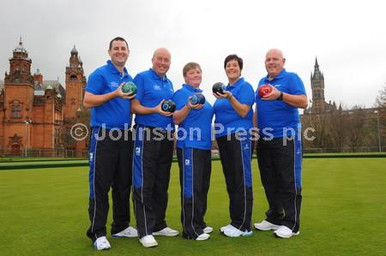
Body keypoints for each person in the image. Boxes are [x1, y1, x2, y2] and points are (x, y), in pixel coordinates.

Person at [83, 37, 137, 250]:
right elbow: (87, 101)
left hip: (125, 137)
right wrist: (115, 93)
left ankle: (121, 226)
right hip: (103, 135)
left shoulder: (129, 77)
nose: (120, 51)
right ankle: (97, 232)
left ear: (128, 52)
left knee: (123, 184)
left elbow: (132, 107)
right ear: (109, 52)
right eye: (116, 48)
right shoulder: (100, 74)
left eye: (123, 48)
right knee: (100, 185)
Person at [254, 49, 308, 239]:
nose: (271, 62)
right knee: (269, 180)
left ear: (283, 61)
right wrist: (255, 131)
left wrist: (280, 95)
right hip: (264, 138)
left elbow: (303, 102)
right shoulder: (261, 83)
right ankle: (275, 217)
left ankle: (292, 224)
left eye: (275, 59)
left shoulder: (292, 78)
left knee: (288, 180)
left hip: (287, 137)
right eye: (268, 59)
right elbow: (258, 110)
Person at [131, 48, 179, 248]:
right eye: (159, 59)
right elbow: (134, 106)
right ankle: (145, 230)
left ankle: (159, 224)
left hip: (166, 136)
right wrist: (154, 110)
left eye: (166, 60)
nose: (163, 62)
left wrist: (173, 131)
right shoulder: (141, 78)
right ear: (152, 60)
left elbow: (170, 112)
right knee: (145, 182)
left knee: (161, 182)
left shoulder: (169, 83)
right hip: (146, 133)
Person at [213, 54, 255, 237]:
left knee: (241, 178)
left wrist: (230, 97)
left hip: (240, 136)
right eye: (228, 65)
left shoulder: (244, 87)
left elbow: (244, 111)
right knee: (231, 180)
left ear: (240, 69)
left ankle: (244, 225)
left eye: (235, 65)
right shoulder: (223, 90)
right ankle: (235, 221)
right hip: (224, 137)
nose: (231, 68)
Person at [172, 62, 214, 241]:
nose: (196, 74)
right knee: (191, 187)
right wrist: (188, 106)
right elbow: (175, 118)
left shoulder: (202, 96)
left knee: (202, 187)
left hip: (204, 147)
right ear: (185, 76)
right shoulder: (181, 94)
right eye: (192, 72)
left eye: (198, 71)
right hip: (189, 146)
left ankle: (199, 222)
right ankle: (190, 230)